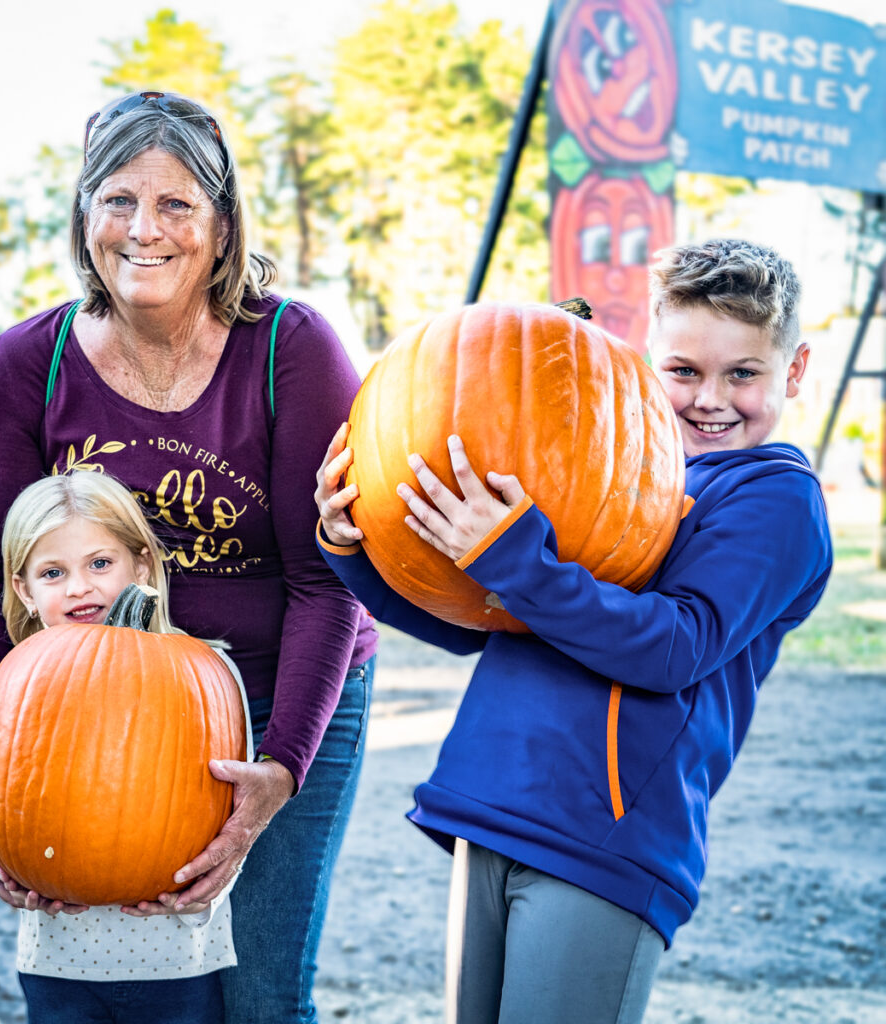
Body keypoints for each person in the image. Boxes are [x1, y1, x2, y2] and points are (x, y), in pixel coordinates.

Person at [315, 237, 833, 1023]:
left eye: (743, 374)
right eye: (684, 370)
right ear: (649, 356)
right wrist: (353, 549)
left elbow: (676, 646)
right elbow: (480, 624)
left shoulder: (777, 498)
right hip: (492, 802)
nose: (709, 398)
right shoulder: (619, 467)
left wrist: (517, 559)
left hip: (604, 839)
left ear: (793, 371)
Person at [0, 90, 377, 1024]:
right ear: (85, 216)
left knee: (260, 995)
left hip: (282, 692)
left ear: (221, 228)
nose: (145, 229)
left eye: (176, 203)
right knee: (128, 991)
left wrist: (281, 767)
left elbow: (326, 577)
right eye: (119, 200)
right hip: (98, 709)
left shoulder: (291, 351)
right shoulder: (29, 363)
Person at [0, 470, 245, 1023]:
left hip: (179, 958)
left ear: (141, 565)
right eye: (53, 572)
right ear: (25, 591)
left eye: (100, 563)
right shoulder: (22, 680)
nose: (79, 587)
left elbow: (235, 810)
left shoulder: (204, 672)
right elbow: (6, 797)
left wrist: (204, 885)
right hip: (58, 960)